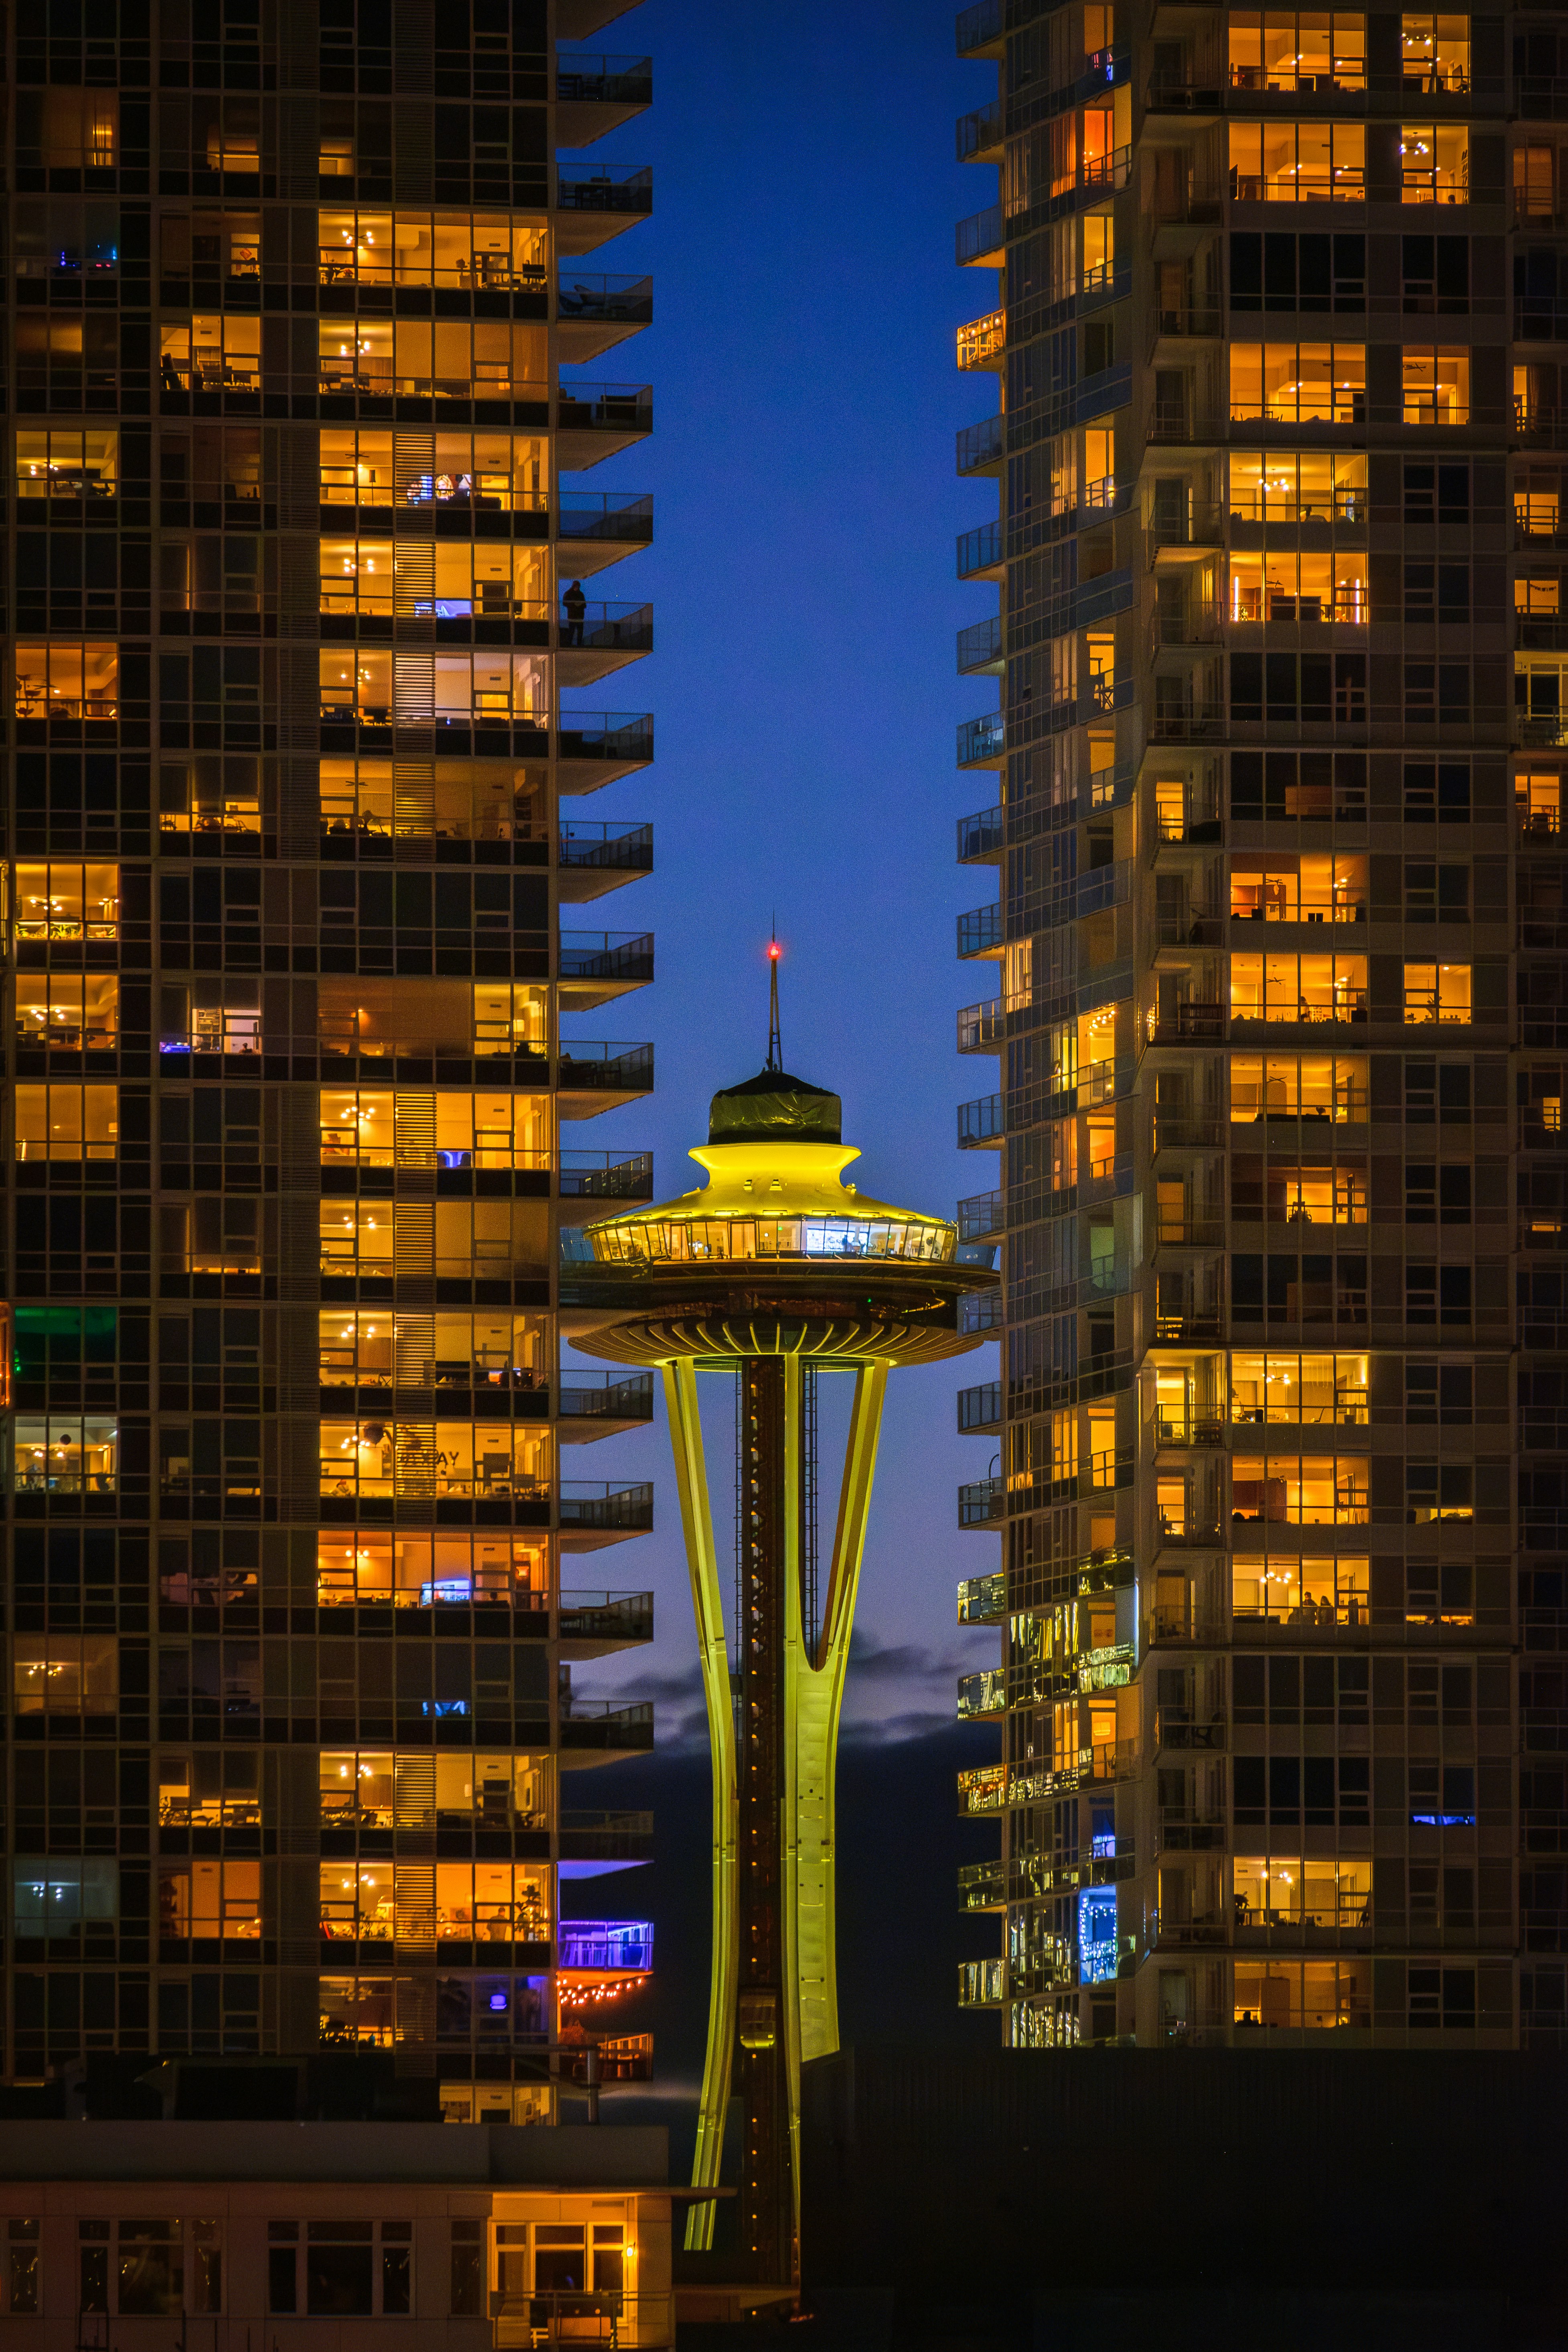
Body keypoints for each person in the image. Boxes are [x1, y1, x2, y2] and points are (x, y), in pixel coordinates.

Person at [562, 578, 587, 646]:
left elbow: (584, 605)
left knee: (579, 631)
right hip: (574, 616)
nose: (577, 588)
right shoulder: (569, 594)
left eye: (578, 587)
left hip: (578, 616)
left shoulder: (580, 594)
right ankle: (570, 644)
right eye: (576, 587)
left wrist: (578, 605)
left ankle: (578, 644)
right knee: (572, 631)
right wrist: (574, 605)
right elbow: (565, 603)